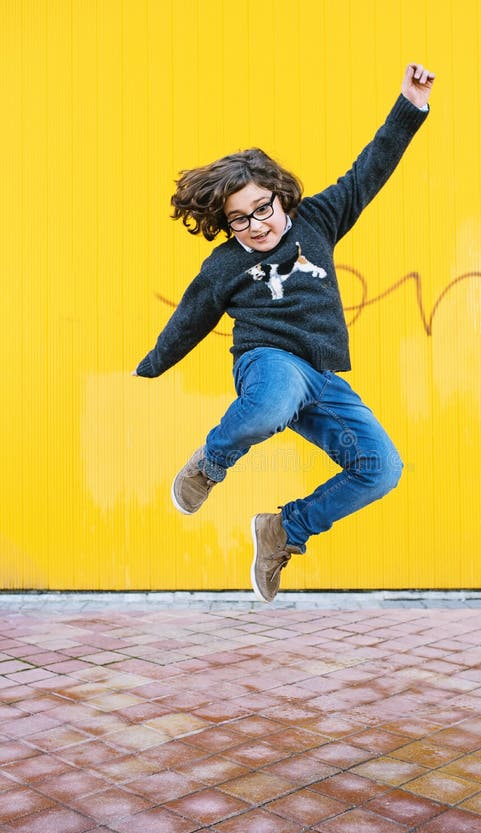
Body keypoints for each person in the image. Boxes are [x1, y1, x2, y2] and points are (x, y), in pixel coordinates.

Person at [133, 62, 435, 602]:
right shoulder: (225, 265)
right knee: (272, 403)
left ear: (279, 195)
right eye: (240, 220)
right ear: (225, 226)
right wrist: (154, 361)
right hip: (269, 360)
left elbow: (371, 168)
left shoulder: (319, 220)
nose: (258, 225)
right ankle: (211, 464)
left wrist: (409, 107)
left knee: (380, 468)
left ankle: (284, 531)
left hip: (322, 378)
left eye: (262, 208)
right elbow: (192, 318)